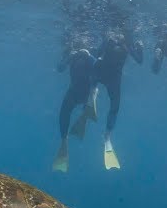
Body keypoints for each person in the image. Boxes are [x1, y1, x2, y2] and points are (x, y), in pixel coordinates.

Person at [69, 27, 145, 170]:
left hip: (113, 78)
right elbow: (97, 54)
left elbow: (140, 60)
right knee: (93, 86)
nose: (118, 36)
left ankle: (107, 137)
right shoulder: (108, 40)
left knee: (115, 106)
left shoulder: (128, 44)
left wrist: (140, 48)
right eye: (117, 33)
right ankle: (90, 102)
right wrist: (100, 46)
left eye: (121, 34)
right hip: (100, 71)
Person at [52, 32, 100, 172]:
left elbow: (100, 68)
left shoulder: (93, 50)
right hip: (73, 91)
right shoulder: (69, 50)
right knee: (64, 113)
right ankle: (64, 142)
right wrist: (69, 57)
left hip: (89, 91)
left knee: (94, 93)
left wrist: (88, 55)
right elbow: (60, 68)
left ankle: (85, 117)